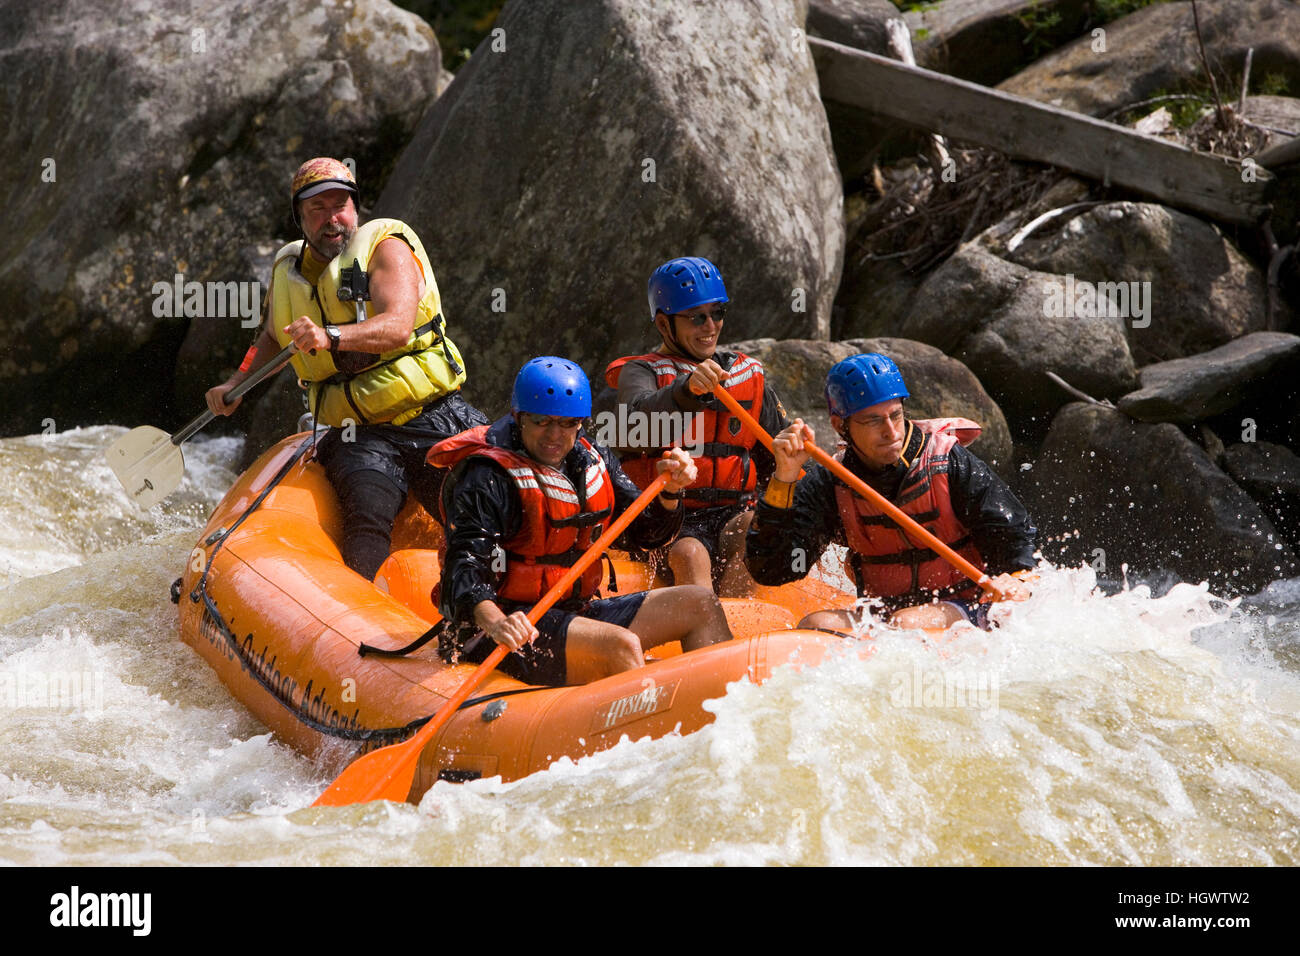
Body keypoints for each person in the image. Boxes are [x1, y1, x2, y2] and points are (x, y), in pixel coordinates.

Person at [204, 157, 487, 579]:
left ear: (355, 208)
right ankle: (359, 631)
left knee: (483, 512)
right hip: (357, 432)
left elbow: (397, 327)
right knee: (366, 518)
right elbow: (267, 338)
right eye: (317, 209)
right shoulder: (287, 270)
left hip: (431, 414)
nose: (331, 219)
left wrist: (330, 336)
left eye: (340, 206)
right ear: (299, 219)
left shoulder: (385, 247)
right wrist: (238, 382)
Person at [428, 356, 734, 686]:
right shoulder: (486, 477)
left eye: (567, 423)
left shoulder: (592, 459)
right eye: (542, 421)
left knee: (700, 604)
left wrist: (670, 493)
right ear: (519, 418)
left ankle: (725, 717)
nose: (554, 435)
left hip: (573, 611)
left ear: (580, 423)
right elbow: (462, 571)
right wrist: (495, 621)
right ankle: (652, 730)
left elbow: (647, 535)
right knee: (620, 646)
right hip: (498, 626)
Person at [745, 353, 1036, 631]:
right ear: (839, 426)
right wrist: (784, 476)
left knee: (906, 623)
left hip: (967, 605)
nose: (890, 431)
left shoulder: (949, 462)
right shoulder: (830, 483)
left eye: (895, 415)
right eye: (872, 420)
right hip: (884, 614)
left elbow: (1015, 539)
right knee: (816, 624)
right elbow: (775, 570)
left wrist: (1017, 579)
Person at [602, 256, 790, 596]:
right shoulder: (640, 372)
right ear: (663, 325)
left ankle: (743, 633)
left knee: (754, 531)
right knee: (691, 553)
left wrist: (792, 450)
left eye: (717, 313)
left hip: (733, 514)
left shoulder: (746, 374)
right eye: (696, 317)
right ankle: (706, 628)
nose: (710, 326)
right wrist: (686, 391)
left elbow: (774, 457)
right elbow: (631, 429)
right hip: (669, 518)